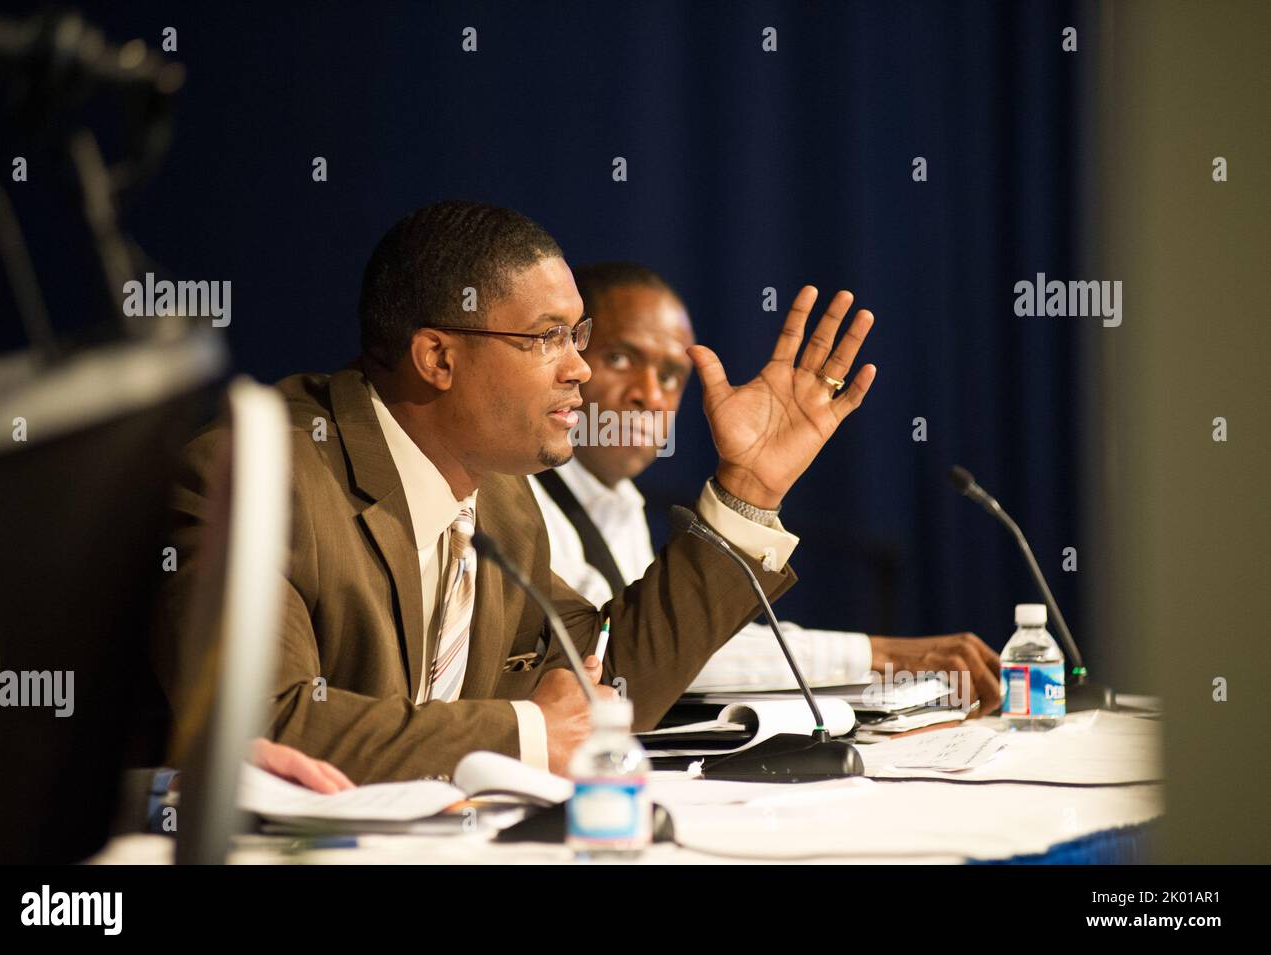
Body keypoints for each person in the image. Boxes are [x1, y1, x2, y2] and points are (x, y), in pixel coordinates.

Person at [156, 200, 877, 783]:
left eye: (579, 335)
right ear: (437, 355)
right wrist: (525, 730)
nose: (582, 370)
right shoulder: (257, 478)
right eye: (548, 338)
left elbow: (605, 672)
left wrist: (745, 490)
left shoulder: (502, 499)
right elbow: (257, 727)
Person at [530, 262, 1000, 712]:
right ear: (567, 355)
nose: (649, 395)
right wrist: (875, 655)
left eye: (671, 376)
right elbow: (619, 657)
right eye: (619, 357)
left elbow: (673, 643)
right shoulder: (515, 502)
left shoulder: (619, 503)